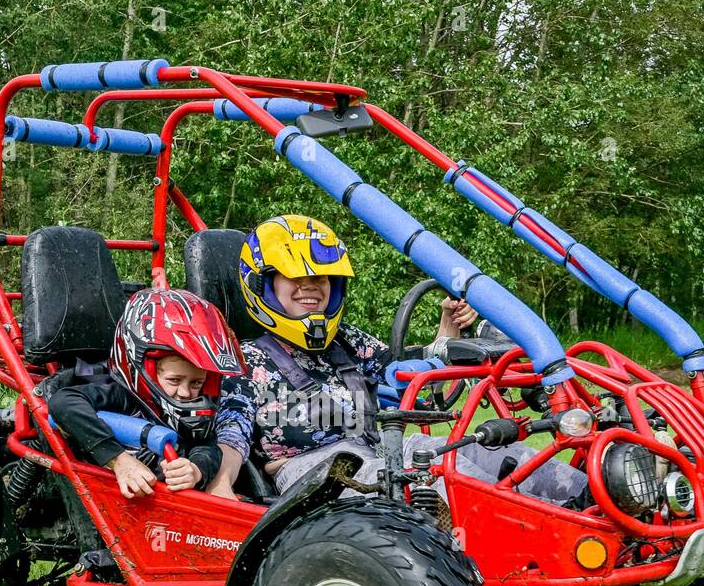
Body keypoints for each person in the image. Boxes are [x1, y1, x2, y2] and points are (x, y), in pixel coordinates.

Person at [208, 214, 588, 505]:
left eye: (322, 278)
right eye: (295, 277)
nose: (311, 286)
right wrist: (222, 483)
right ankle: (526, 522)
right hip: (317, 473)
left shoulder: (346, 340)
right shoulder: (247, 359)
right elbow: (231, 431)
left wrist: (447, 335)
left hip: (380, 455)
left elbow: (405, 375)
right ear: (261, 285)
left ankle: (590, 505)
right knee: (442, 476)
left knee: (477, 449)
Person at [47, 286, 244, 499]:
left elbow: (208, 445)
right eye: (174, 380)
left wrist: (195, 470)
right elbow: (63, 402)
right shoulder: (123, 397)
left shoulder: (196, 411)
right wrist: (119, 460)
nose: (186, 392)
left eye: (197, 382)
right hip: (110, 496)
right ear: (141, 369)